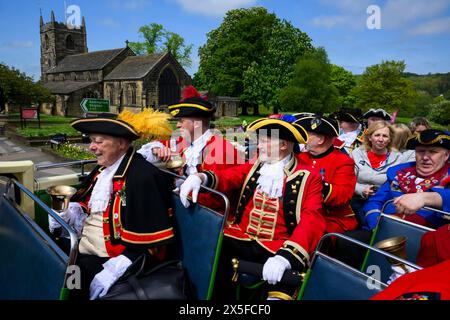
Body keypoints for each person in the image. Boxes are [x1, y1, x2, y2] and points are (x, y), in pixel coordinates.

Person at [178, 117, 326, 300]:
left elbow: (312, 218)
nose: (259, 146)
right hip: (242, 235)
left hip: (278, 245)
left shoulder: (309, 177)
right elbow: (231, 176)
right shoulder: (257, 165)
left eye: (265, 141)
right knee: (206, 254)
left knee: (282, 287)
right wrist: (201, 178)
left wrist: (286, 257)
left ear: (283, 145)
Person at [48, 114, 175, 300]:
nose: (92, 147)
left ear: (122, 143)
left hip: (107, 258)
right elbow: (91, 203)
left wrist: (119, 266)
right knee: (47, 255)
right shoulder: (102, 169)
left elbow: (153, 241)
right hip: (81, 245)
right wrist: (72, 211)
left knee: (70, 283)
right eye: (91, 141)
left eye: (98, 142)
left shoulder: (143, 177)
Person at [137, 85, 242, 213]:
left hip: (202, 218)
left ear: (196, 123)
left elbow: (216, 199)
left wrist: (177, 191)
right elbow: (143, 153)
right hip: (180, 210)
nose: (178, 124)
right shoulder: (183, 142)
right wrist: (156, 150)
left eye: (182, 120)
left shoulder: (222, 149)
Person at [363, 129, 450, 230]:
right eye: (420, 151)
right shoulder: (399, 172)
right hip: (382, 229)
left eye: (433, 152)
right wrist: (377, 224)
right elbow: (375, 202)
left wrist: (425, 198)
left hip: (424, 238)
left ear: (446, 155)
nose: (425, 157)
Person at [295, 114, 358, 234]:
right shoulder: (301, 157)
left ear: (320, 140)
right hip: (302, 212)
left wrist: (313, 186)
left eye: (307, 135)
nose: (303, 139)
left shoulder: (343, 162)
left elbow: (342, 196)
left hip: (331, 218)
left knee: (307, 231)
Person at [351, 121, 415, 223]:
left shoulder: (398, 158)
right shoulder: (357, 153)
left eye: (385, 136)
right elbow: (347, 179)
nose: (381, 139)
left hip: (382, 203)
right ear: (370, 137)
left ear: (390, 139)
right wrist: (361, 190)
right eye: (377, 135)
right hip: (357, 199)